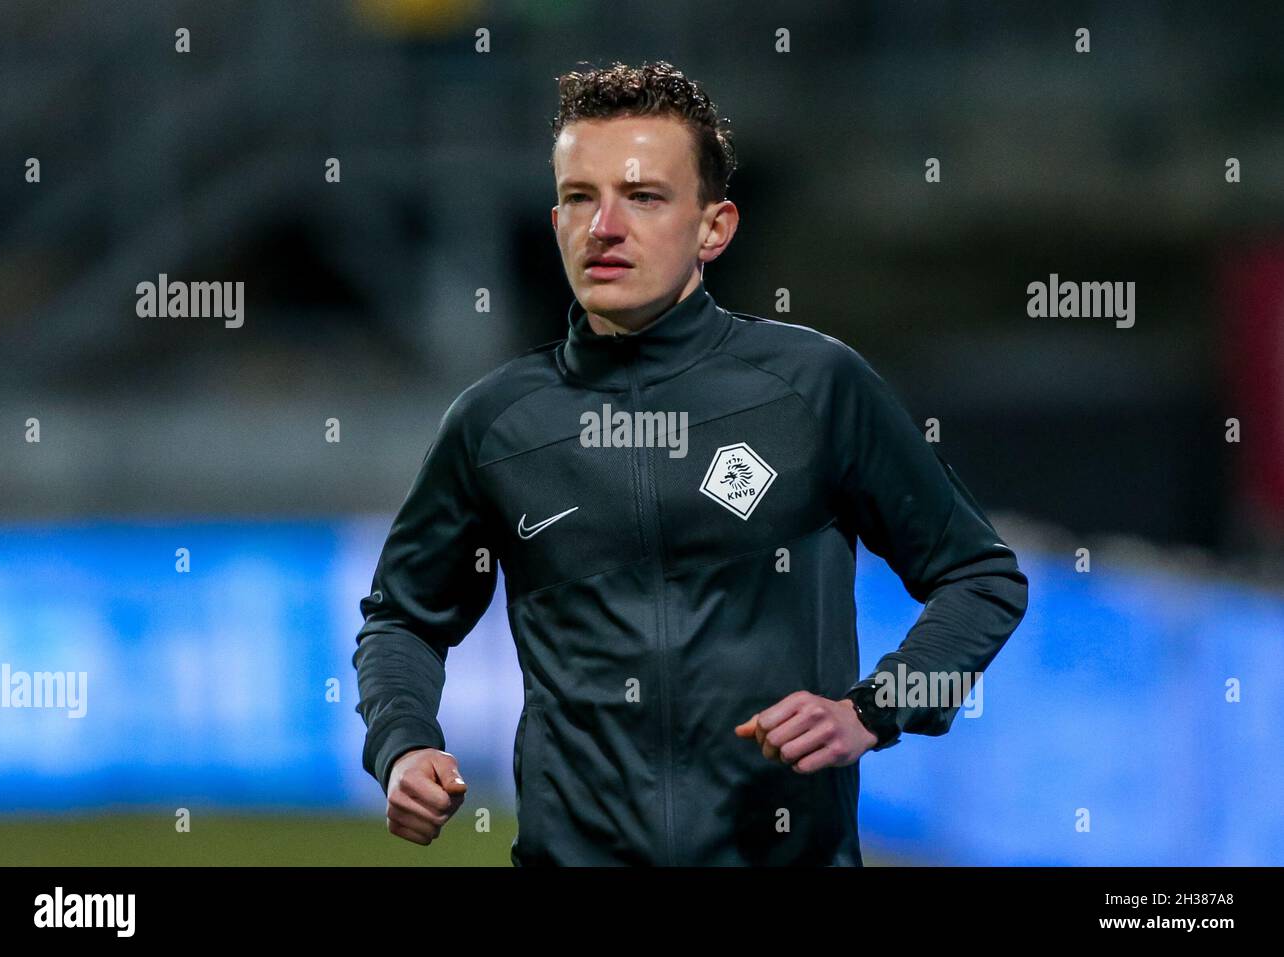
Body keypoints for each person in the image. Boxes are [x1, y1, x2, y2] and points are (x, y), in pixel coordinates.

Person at [352, 59, 1029, 866]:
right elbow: (401, 618)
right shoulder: (497, 422)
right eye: (579, 197)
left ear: (714, 227)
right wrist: (403, 744)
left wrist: (875, 708)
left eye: (643, 197)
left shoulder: (813, 386)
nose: (604, 225)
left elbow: (981, 578)